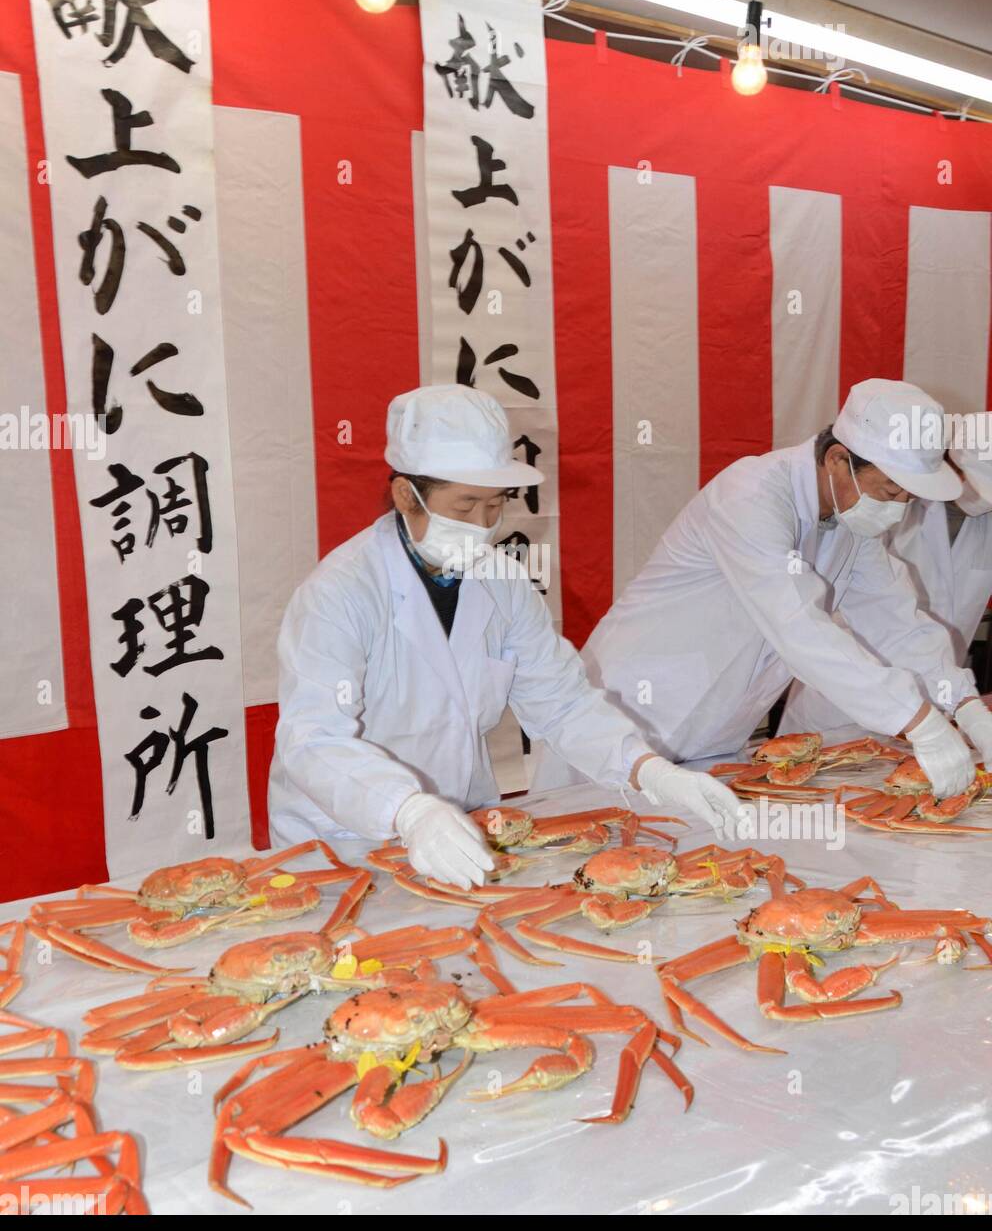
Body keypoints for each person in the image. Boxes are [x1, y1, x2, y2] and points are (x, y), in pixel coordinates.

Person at [268, 384, 741, 889]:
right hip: (342, 840)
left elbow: (561, 702)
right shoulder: (340, 592)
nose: (484, 525)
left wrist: (646, 770)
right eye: (465, 504)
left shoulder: (503, 581)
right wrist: (407, 811)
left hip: (464, 818)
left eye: (495, 505)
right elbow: (313, 739)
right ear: (407, 495)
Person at [532, 379, 992, 800]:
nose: (898, 510)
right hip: (630, 716)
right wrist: (919, 723)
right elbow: (798, 626)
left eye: (908, 498)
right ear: (838, 460)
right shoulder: (751, 496)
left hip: (716, 733)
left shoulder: (851, 524)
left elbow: (897, 623)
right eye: (890, 491)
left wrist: (966, 705)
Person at [780, 416, 992, 736]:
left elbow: (907, 626)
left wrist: (967, 706)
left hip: (938, 688)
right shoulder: (878, 504)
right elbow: (884, 611)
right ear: (950, 463)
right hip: (843, 693)